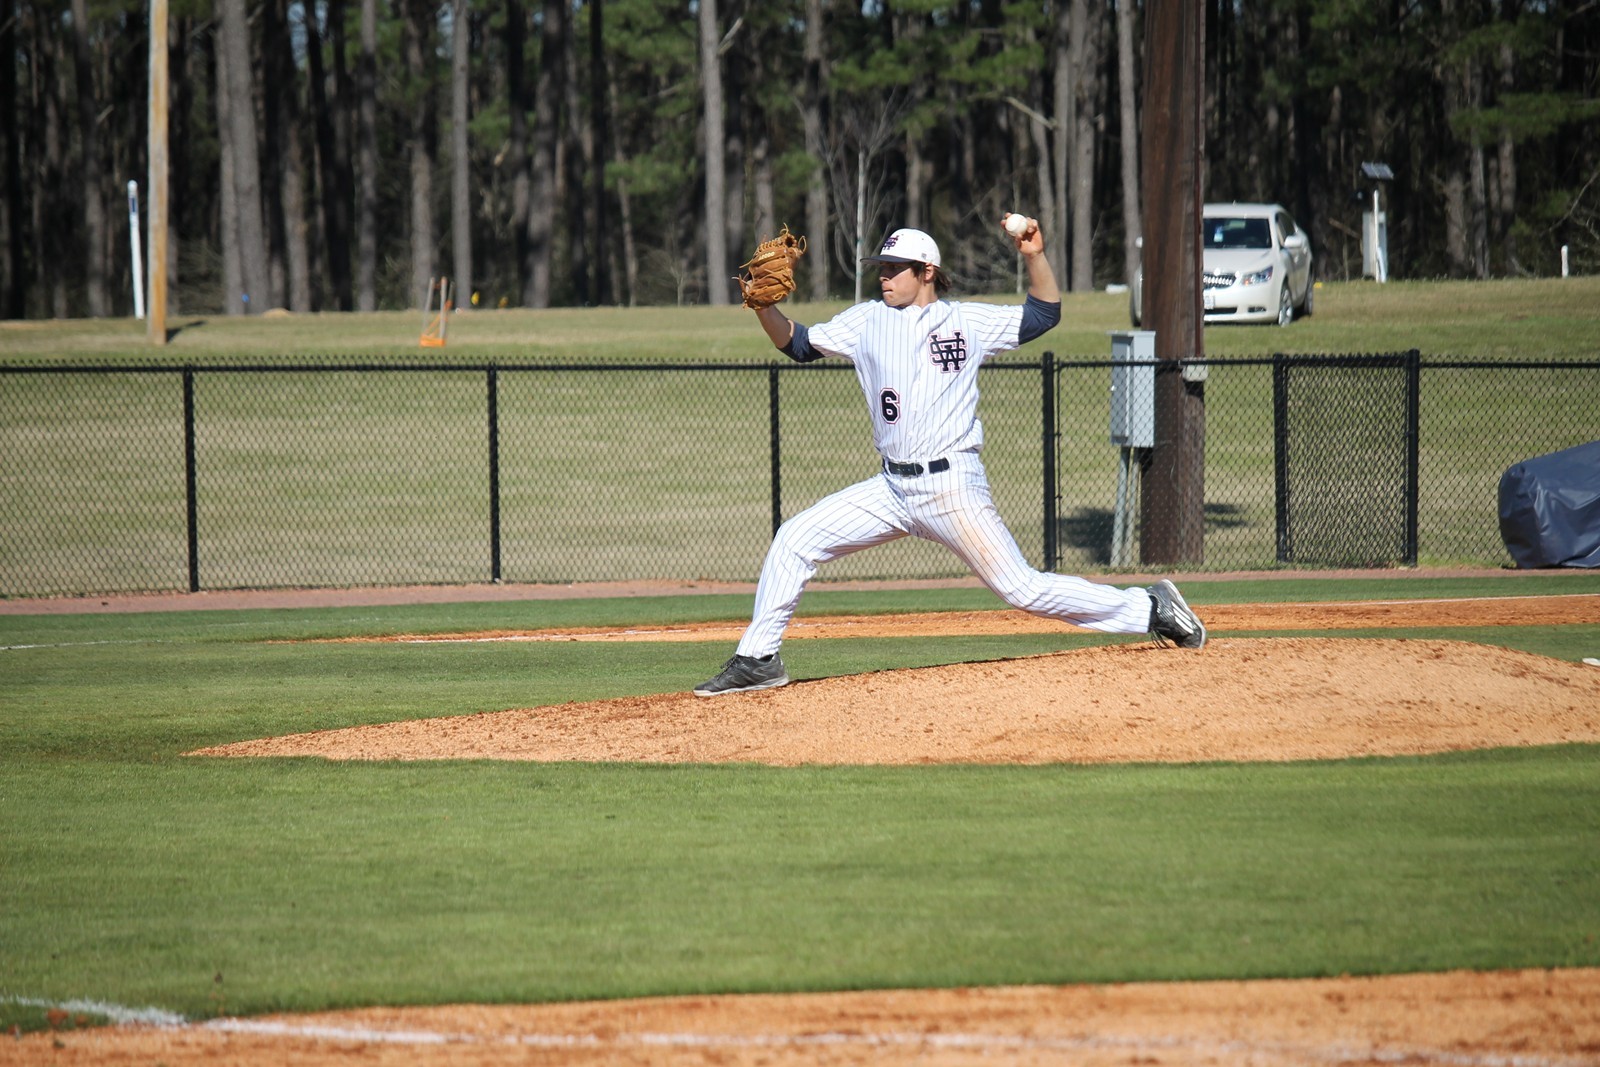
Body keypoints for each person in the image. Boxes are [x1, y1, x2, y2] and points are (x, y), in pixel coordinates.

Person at [694, 217, 1205, 696]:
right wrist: (764, 306)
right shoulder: (866, 321)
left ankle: (1150, 607)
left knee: (1021, 589)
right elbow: (799, 344)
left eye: (895, 269)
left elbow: (1044, 313)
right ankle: (759, 659)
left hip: (951, 486)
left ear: (927, 272)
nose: (884, 278)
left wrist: (1035, 255)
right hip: (891, 489)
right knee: (795, 538)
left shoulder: (966, 322)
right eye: (881, 269)